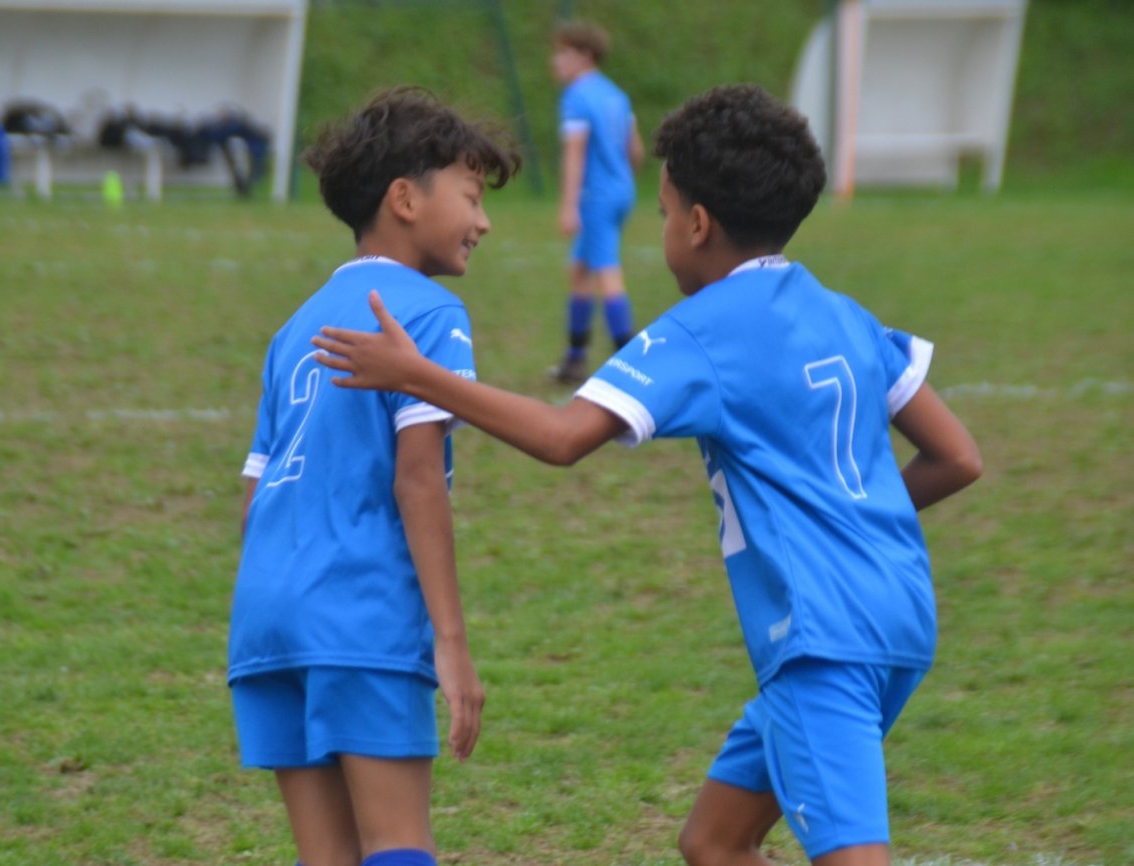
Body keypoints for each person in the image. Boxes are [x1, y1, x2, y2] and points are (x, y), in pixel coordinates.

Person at [311, 84, 982, 866]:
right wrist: (854, 512)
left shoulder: (703, 331)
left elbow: (563, 438)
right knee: (714, 841)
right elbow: (958, 456)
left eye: (663, 214)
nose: (662, 230)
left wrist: (418, 375)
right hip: (900, 613)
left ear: (698, 224)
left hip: (822, 639)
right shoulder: (844, 311)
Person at [228, 87, 520, 866]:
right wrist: (452, 646)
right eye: (471, 197)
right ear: (404, 198)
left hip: (267, 619)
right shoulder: (426, 313)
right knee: (396, 847)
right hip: (360, 615)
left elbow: (254, 496)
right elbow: (417, 480)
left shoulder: (296, 326)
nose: (483, 222)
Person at [548, 20, 646, 384]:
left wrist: (569, 204)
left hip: (597, 197)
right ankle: (575, 359)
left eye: (563, 53)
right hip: (621, 191)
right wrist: (621, 180)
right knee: (580, 270)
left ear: (584, 56)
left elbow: (575, 153)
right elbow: (635, 150)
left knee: (607, 273)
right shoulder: (616, 95)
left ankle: (630, 362)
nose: (556, 61)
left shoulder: (577, 96)